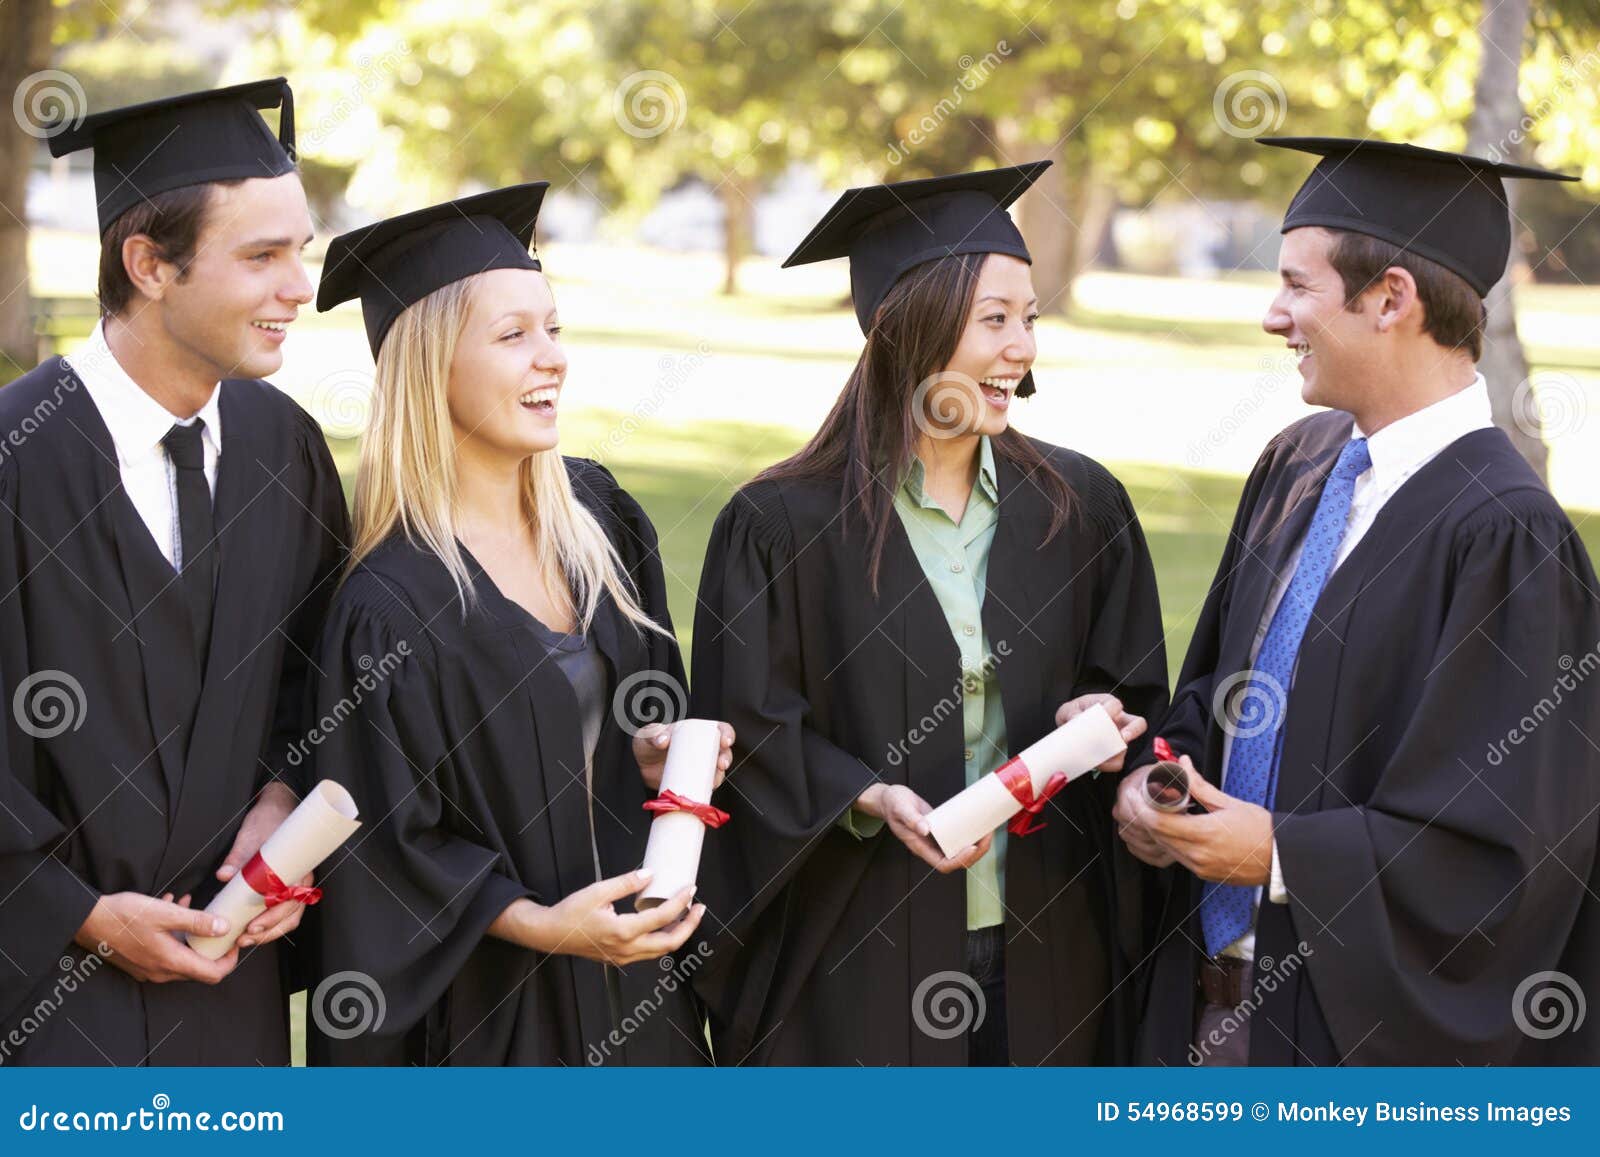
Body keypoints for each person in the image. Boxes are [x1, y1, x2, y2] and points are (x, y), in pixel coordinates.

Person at [1125, 137, 1600, 1066]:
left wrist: (1280, 858)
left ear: (1390, 298)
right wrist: (1163, 776)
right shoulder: (1297, 466)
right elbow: (1218, 685)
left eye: (1297, 287)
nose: (1273, 317)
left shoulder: (1506, 536)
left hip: (1351, 1045)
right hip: (1203, 1009)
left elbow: (1506, 851)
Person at [689, 164, 1169, 1065]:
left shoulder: (1081, 507)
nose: (1023, 345)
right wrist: (866, 794)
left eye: (1030, 316)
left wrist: (1101, 720)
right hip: (858, 957)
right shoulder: (779, 526)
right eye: (995, 318)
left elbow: (1134, 688)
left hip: (1050, 949)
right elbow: (746, 730)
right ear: (908, 325)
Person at [305, 184, 732, 1065]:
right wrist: (542, 924)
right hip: (496, 1023)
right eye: (513, 336)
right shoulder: (387, 607)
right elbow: (386, 852)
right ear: (430, 369)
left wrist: (656, 746)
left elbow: (646, 705)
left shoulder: (599, 519)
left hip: (641, 996)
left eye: (554, 328)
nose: (553, 359)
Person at [0, 78, 350, 1065]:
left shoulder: (284, 448)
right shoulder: (15, 461)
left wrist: (283, 810)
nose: (299, 288)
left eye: (302, 253)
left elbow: (323, 675)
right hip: (39, 1004)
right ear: (148, 263)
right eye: (263, 256)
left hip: (224, 996)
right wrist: (73, 912)